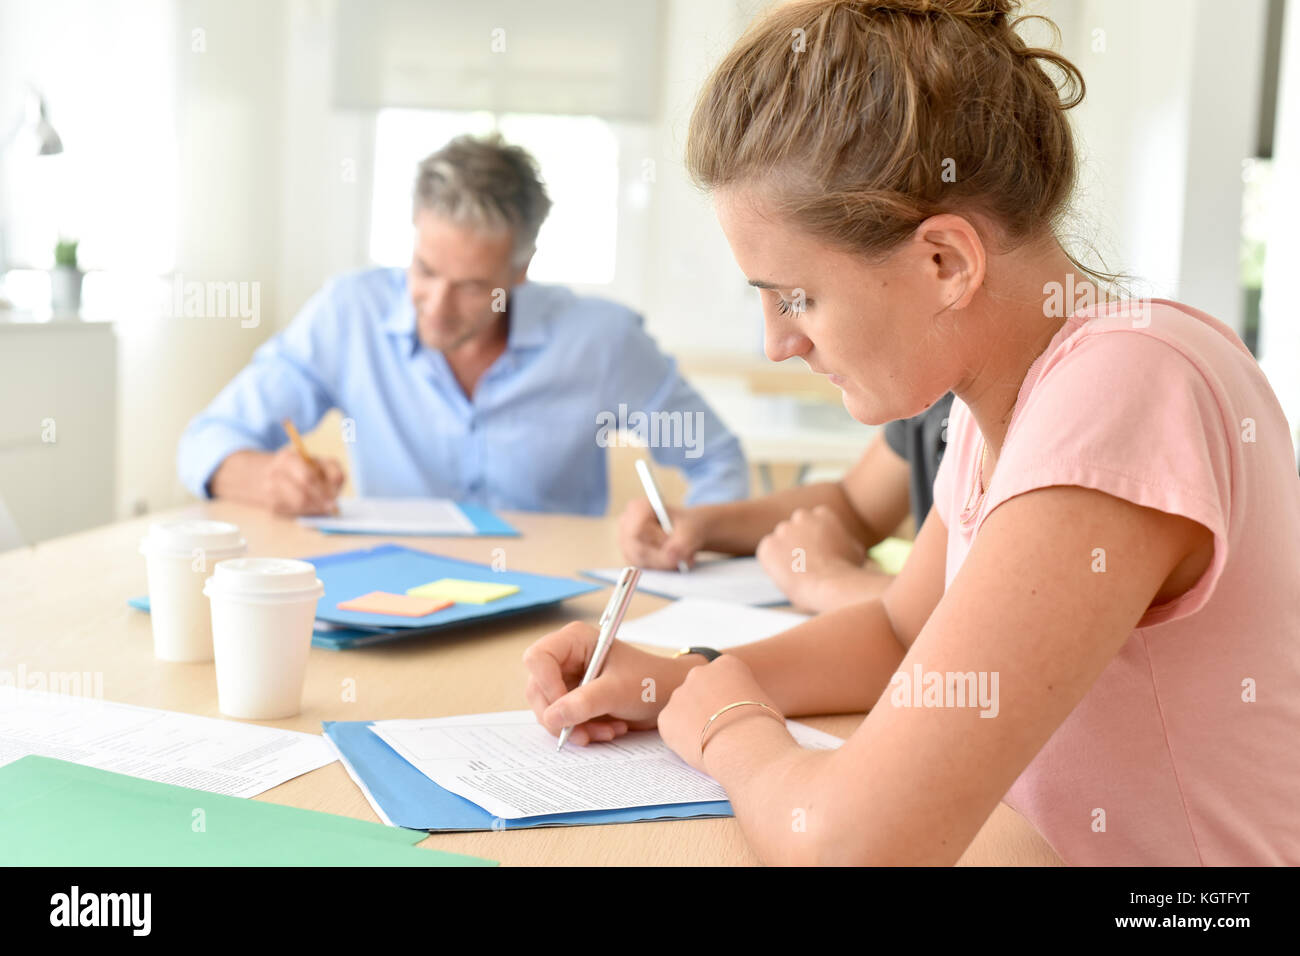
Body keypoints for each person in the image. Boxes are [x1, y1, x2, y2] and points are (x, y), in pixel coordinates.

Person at [523, 0, 1300, 865]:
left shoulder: (1128, 386)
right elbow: (903, 637)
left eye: (797, 297)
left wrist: (731, 725)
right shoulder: (1001, 405)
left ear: (946, 263)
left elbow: (851, 850)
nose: (779, 342)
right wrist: (678, 674)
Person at [177, 134, 749, 516]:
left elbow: (719, 460)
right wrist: (263, 478)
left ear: (521, 270)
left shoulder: (600, 342)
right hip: (391, 606)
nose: (437, 304)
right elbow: (207, 440)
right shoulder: (348, 314)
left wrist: (688, 531)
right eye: (425, 269)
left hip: (555, 619)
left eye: (474, 286)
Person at [618, 393, 953, 612]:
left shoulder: (999, 417)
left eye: (805, 300)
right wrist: (703, 525)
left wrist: (827, 582)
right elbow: (854, 508)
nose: (778, 348)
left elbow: (992, 617)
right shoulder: (936, 397)